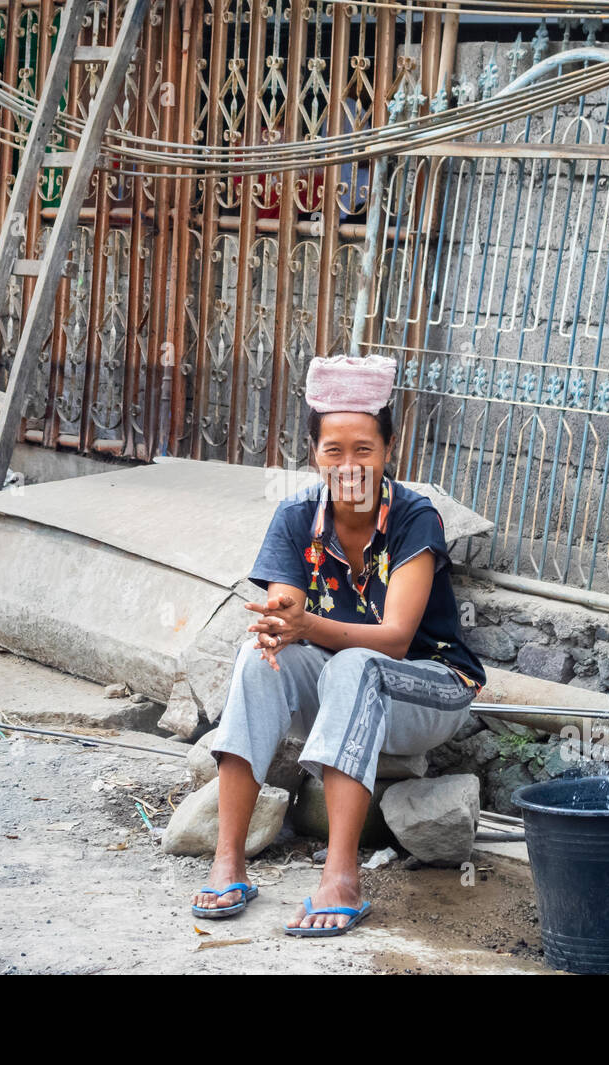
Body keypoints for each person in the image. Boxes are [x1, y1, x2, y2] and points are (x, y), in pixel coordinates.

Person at [189, 353, 487, 936]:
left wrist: (305, 628)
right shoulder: (296, 515)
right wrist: (278, 623)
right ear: (313, 455)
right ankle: (229, 858)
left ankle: (342, 872)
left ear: (389, 450)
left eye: (364, 450)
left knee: (357, 664)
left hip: (431, 691)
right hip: (342, 684)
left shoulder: (415, 519)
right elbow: (287, 610)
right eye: (334, 451)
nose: (349, 466)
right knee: (258, 657)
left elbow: (397, 641)